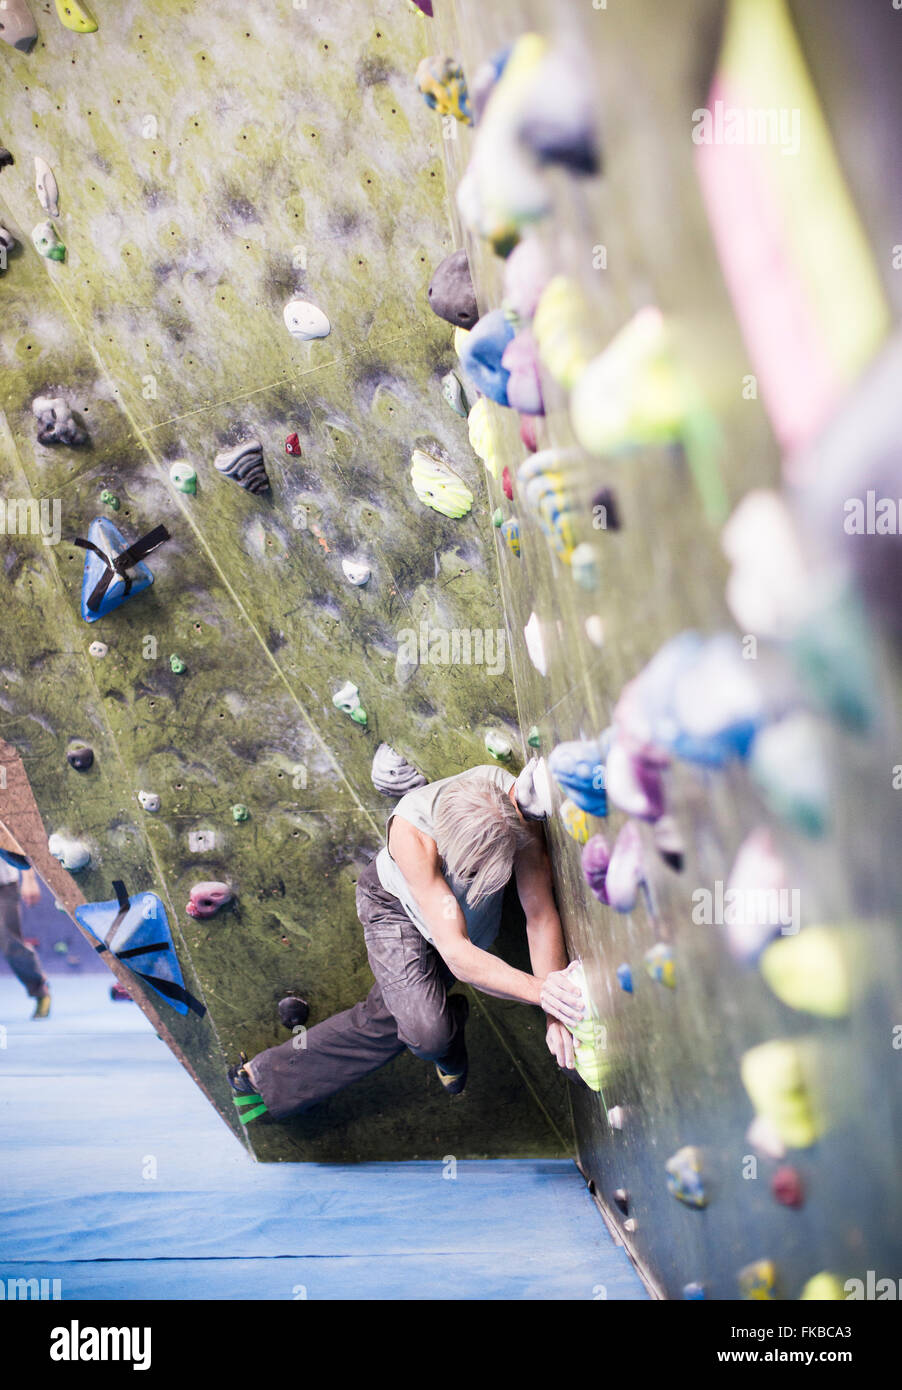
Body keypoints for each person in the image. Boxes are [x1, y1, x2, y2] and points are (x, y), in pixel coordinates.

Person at [229, 763, 585, 1123]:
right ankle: (443, 1037)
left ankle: (270, 1082)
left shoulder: (516, 816)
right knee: (427, 1034)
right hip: (396, 908)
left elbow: (539, 916)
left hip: (464, 926)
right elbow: (457, 954)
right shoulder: (412, 833)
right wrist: (542, 992)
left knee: (415, 1022)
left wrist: (556, 1014)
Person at [0, 855, 50, 1018]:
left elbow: (19, 843)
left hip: (4, 885)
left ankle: (39, 989)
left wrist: (29, 878)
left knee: (11, 944)